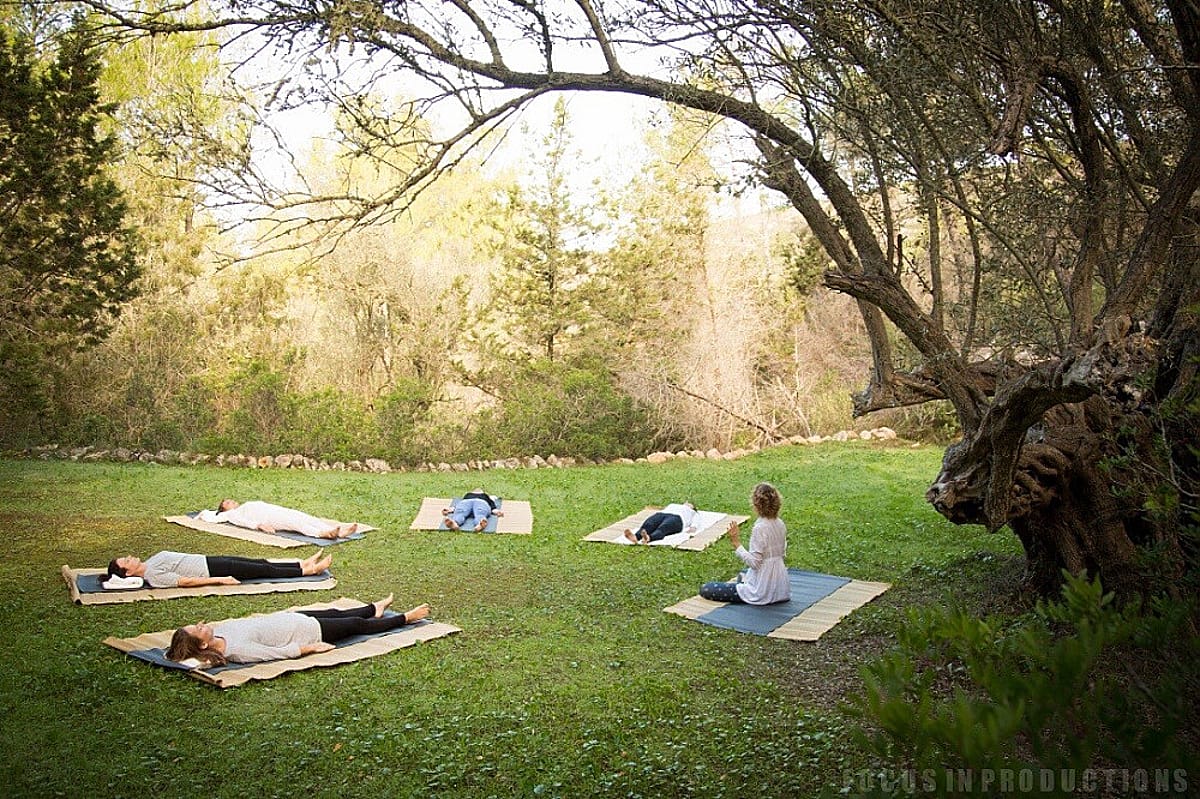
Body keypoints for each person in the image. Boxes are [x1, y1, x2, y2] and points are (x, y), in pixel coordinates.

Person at [165, 595, 432, 666]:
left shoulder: (221, 631)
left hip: (296, 618)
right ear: (202, 644)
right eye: (198, 629)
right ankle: (406, 619)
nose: (202, 624)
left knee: (340, 613)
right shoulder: (238, 651)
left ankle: (374, 607)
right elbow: (275, 654)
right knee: (357, 626)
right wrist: (311, 648)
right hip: (309, 633)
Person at [698, 482, 789, 604]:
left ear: (756, 505)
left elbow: (754, 563)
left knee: (707, 588)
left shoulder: (760, 528)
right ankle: (745, 581)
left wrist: (736, 542)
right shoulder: (780, 523)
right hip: (781, 588)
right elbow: (781, 554)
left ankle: (744, 584)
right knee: (745, 575)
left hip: (761, 590)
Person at [104, 551, 333, 589]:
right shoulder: (152, 576)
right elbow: (185, 581)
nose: (130, 557)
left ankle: (300, 563)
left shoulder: (151, 561)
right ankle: (309, 572)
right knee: (264, 570)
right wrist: (220, 580)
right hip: (210, 569)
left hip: (210, 560)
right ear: (128, 573)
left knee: (260, 562)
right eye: (126, 561)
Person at [210, 499, 359, 539]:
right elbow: (243, 522)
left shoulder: (244, 506)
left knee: (304, 516)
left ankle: (337, 532)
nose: (232, 501)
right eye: (227, 503)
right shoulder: (232, 514)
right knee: (296, 523)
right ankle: (322, 534)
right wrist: (259, 525)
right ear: (225, 509)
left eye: (230, 500)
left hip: (274, 509)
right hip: (268, 517)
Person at [623, 502, 700, 544]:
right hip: (662, 514)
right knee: (649, 524)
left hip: (678, 518)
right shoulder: (673, 504)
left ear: (693, 507)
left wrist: (693, 527)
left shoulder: (692, 512)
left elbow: (696, 520)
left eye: (690, 503)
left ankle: (649, 538)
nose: (687, 502)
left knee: (663, 528)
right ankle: (636, 537)